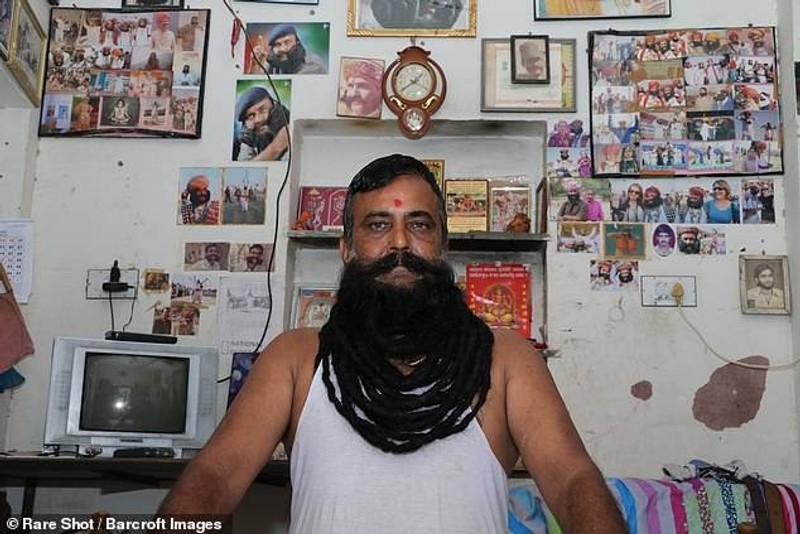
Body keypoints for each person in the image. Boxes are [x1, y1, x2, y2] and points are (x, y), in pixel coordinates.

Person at [158, 154, 625, 533]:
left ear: (442, 246)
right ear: (346, 250)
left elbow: (572, 480)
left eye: (419, 225)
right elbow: (214, 478)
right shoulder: (295, 359)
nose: (400, 243)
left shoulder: (506, 360)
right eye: (378, 225)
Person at [234, 86, 290, 161]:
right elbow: (244, 165)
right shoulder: (249, 136)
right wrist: (275, 148)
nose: (258, 119)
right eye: (250, 116)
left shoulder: (292, 128)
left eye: (262, 110)